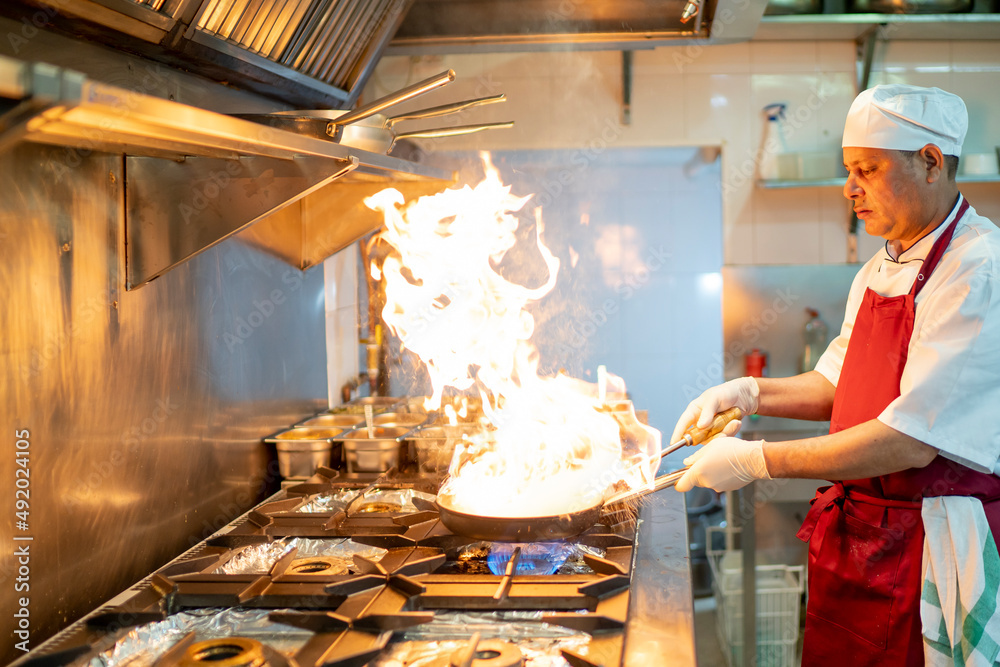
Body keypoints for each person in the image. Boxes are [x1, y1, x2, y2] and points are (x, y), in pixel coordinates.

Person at [673, 84, 1000, 666]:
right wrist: (746, 394)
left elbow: (912, 440)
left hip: (932, 548)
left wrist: (758, 460)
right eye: (848, 170)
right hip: (860, 543)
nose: (849, 189)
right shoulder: (883, 263)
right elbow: (835, 382)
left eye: (867, 170)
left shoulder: (976, 270)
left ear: (930, 162)